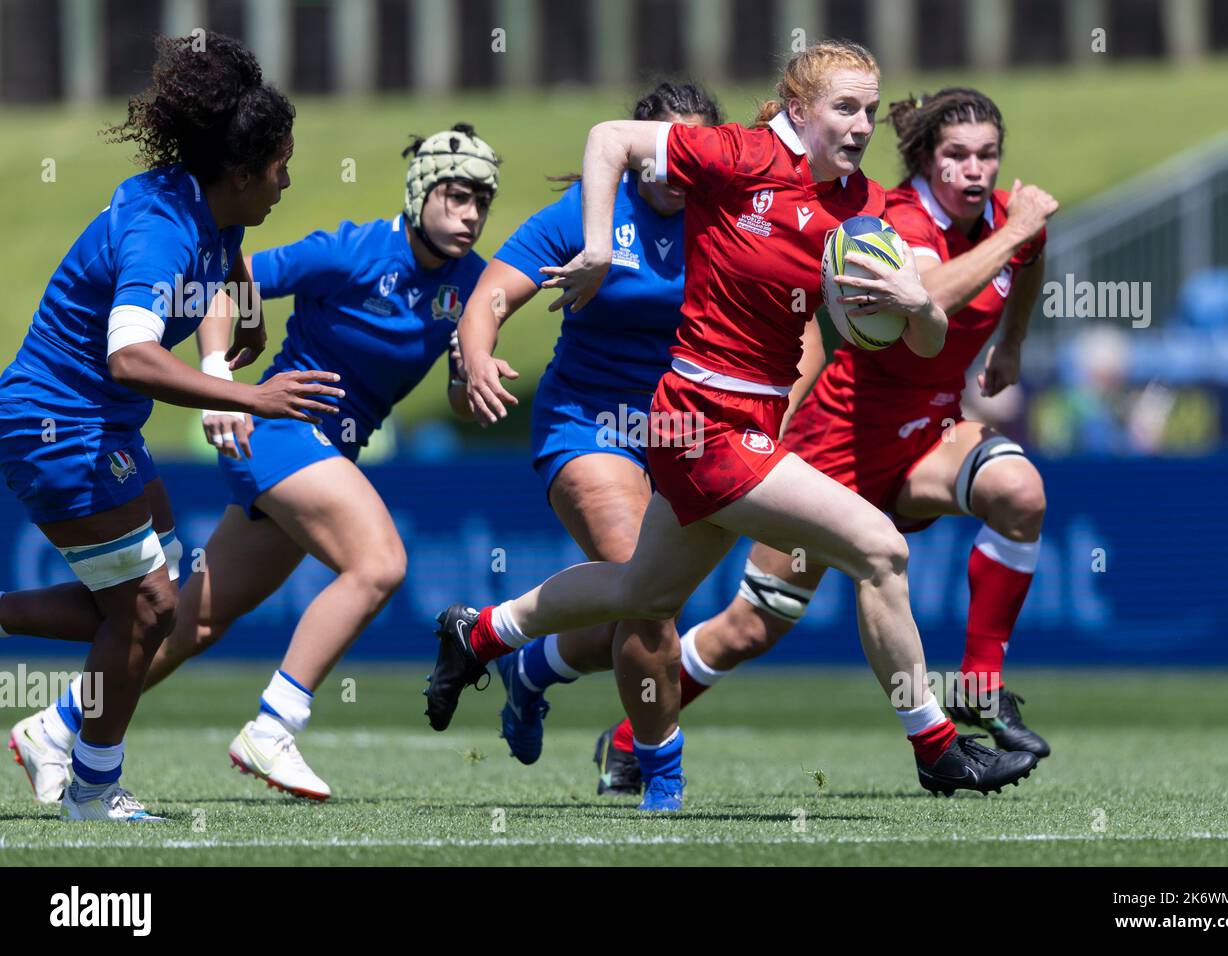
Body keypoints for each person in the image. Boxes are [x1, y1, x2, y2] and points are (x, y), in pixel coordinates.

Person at [425, 41, 1037, 811]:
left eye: (870, 112)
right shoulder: (735, 156)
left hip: (750, 423)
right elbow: (607, 140)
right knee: (879, 549)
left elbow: (923, 341)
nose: (859, 125)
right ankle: (937, 749)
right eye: (843, 108)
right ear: (798, 108)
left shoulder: (865, 208)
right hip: (698, 422)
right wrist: (591, 245)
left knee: (639, 594)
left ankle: (480, 632)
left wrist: (918, 305)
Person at [590, 87, 1061, 794]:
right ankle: (628, 738)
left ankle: (979, 688)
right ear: (926, 162)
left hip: (927, 437)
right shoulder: (894, 217)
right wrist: (1016, 234)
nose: (975, 171)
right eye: (957, 155)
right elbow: (930, 294)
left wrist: (1014, 344)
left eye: (988, 156)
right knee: (749, 628)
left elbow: (1027, 264)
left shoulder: (1007, 224)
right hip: (836, 443)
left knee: (1019, 490)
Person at [13, 124, 498, 802]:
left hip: (323, 454)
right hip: (280, 433)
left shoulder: (473, 285)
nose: (470, 214)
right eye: (455, 195)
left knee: (186, 620)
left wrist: (470, 375)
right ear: (420, 195)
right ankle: (275, 726)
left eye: (482, 200)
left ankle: (56, 727)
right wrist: (221, 370)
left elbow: (462, 397)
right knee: (381, 563)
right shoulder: (354, 251)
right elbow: (225, 279)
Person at [1, 34, 342, 821]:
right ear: (240, 172)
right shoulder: (166, 229)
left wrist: (229, 342)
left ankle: (59, 742)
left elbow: (225, 271)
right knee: (150, 608)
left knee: (151, 598)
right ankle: (92, 788)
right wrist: (248, 397)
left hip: (99, 425)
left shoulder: (206, 208)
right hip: (58, 422)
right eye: (280, 167)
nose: (287, 182)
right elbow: (130, 355)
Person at [455, 83, 734, 769]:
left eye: (690, 149)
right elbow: (490, 295)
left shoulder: (735, 221)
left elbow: (799, 316)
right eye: (660, 148)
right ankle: (654, 771)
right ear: (634, 152)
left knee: (640, 599)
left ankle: (529, 669)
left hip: (690, 432)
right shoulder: (587, 215)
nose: (674, 165)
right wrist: (479, 357)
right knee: (643, 593)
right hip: (588, 422)